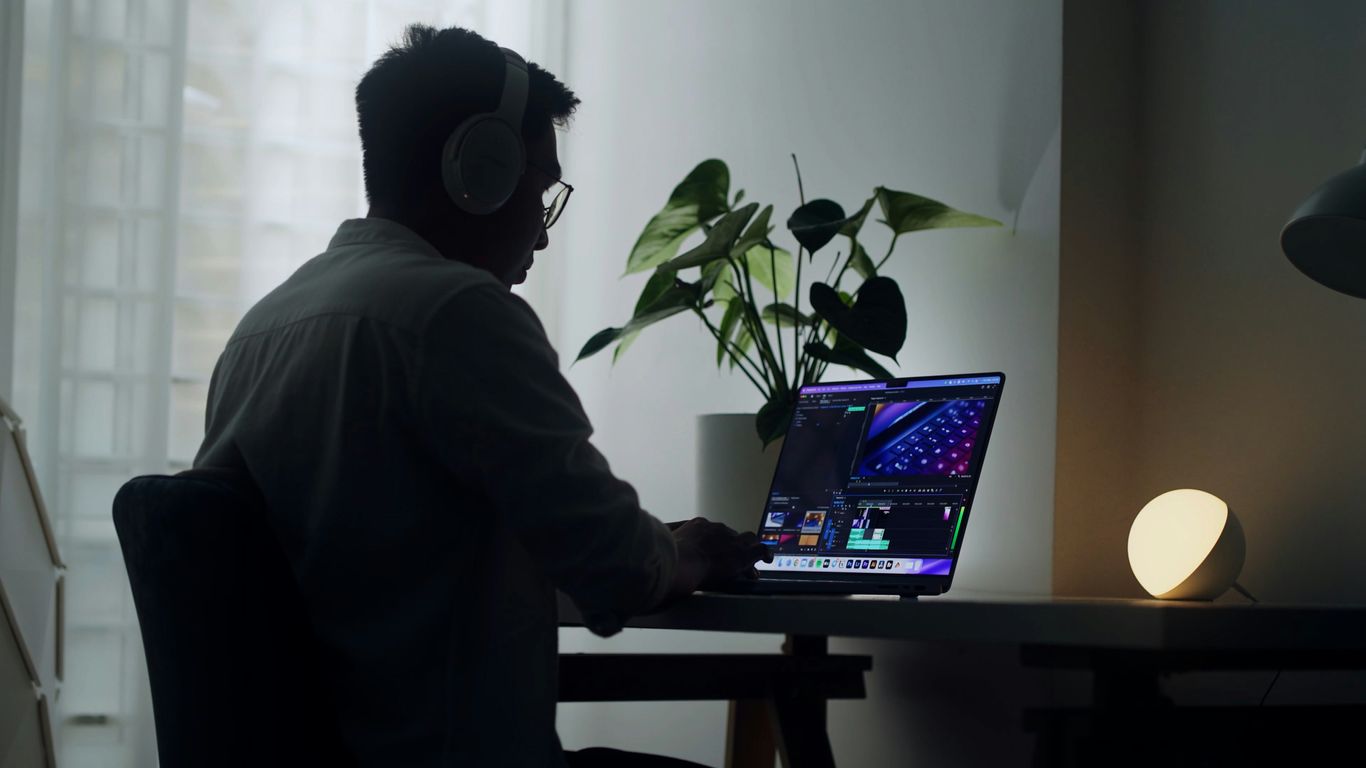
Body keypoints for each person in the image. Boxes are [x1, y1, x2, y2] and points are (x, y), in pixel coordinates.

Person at [193, 23, 770, 768]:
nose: (543, 233)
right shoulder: (457, 313)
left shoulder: (261, 329)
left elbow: (381, 565)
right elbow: (619, 569)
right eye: (542, 189)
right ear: (481, 170)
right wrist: (688, 554)